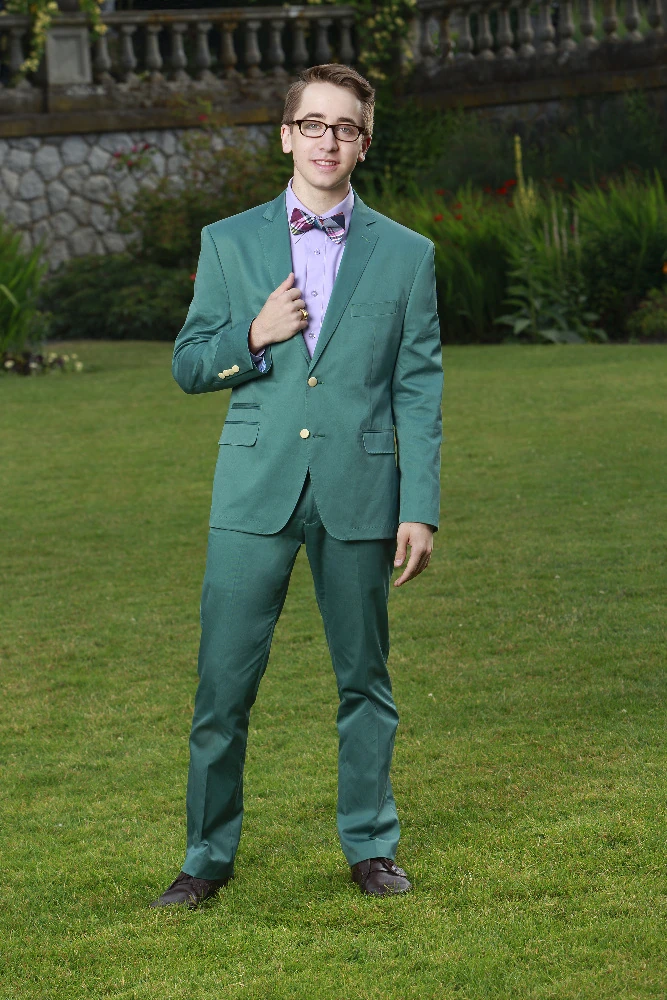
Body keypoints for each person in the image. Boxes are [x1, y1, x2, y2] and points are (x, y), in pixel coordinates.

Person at [151, 63, 443, 909]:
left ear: (364, 142)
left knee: (365, 683)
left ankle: (371, 846)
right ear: (286, 135)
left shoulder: (408, 254)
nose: (327, 140)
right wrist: (253, 334)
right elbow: (188, 365)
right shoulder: (228, 241)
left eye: (344, 127)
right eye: (312, 124)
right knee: (222, 688)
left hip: (361, 489)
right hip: (253, 491)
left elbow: (417, 390)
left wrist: (419, 507)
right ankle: (205, 859)